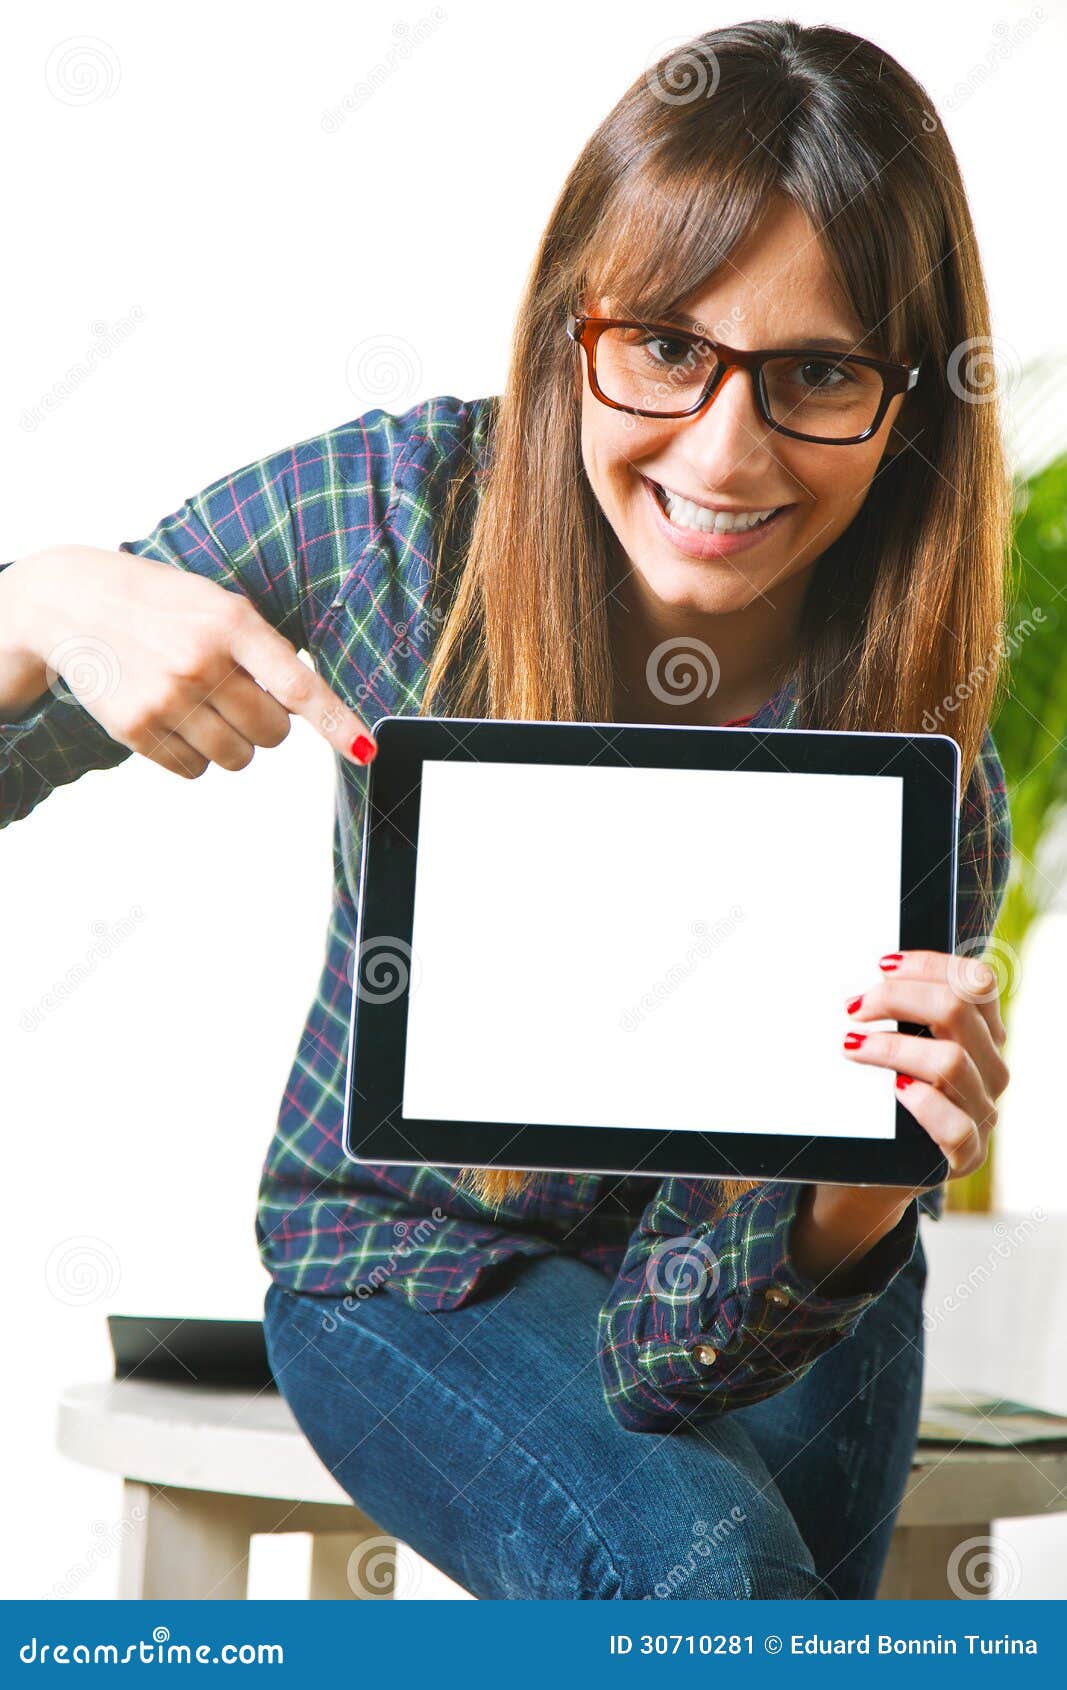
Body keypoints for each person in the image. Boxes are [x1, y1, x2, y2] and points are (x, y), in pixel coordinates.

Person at [1, 20, 1013, 1599]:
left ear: (908, 407)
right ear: (570, 331)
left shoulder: (919, 768)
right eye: (669, 348)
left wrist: (852, 1205)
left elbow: (682, 1355)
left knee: (748, 1599)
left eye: (818, 372)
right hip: (408, 1262)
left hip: (776, 1291)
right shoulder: (393, 523)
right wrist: (37, 603)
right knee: (710, 1573)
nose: (725, 452)